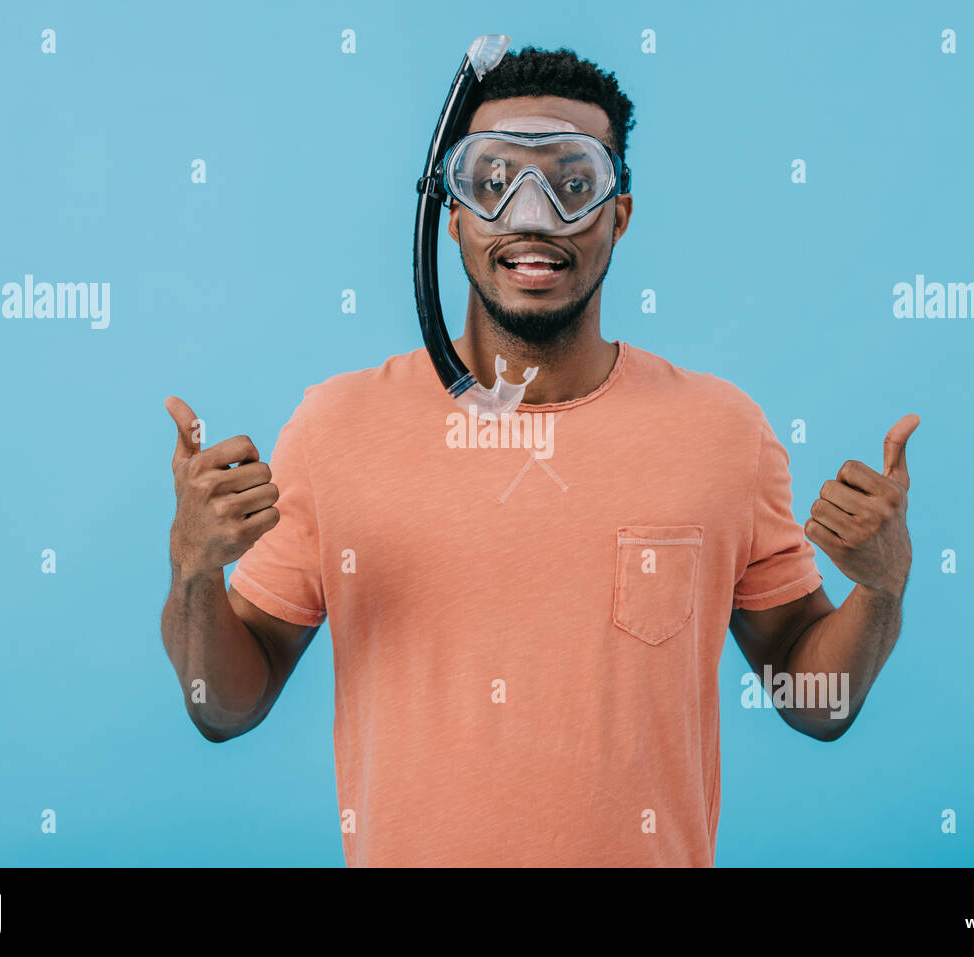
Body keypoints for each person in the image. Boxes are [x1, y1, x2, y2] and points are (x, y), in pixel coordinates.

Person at [159, 46, 919, 867]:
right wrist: (195, 570)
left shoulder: (722, 432)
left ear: (619, 214)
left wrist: (879, 588)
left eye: (573, 183)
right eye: (493, 182)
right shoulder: (338, 426)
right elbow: (225, 709)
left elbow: (818, 703)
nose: (531, 217)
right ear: (450, 214)